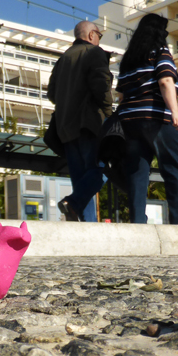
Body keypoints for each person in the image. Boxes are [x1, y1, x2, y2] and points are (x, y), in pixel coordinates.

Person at [114, 13, 178, 224]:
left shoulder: (128, 60)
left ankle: (138, 220)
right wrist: (175, 112)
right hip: (157, 118)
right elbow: (165, 80)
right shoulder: (161, 52)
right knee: (173, 169)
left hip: (130, 120)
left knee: (137, 172)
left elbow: (121, 95)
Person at [46, 20, 114, 222]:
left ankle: (85, 222)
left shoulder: (63, 59)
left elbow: (51, 93)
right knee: (103, 170)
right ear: (92, 34)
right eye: (99, 36)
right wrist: (109, 113)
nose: (99, 40)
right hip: (89, 125)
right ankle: (73, 203)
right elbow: (102, 86)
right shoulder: (94, 53)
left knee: (80, 179)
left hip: (65, 128)